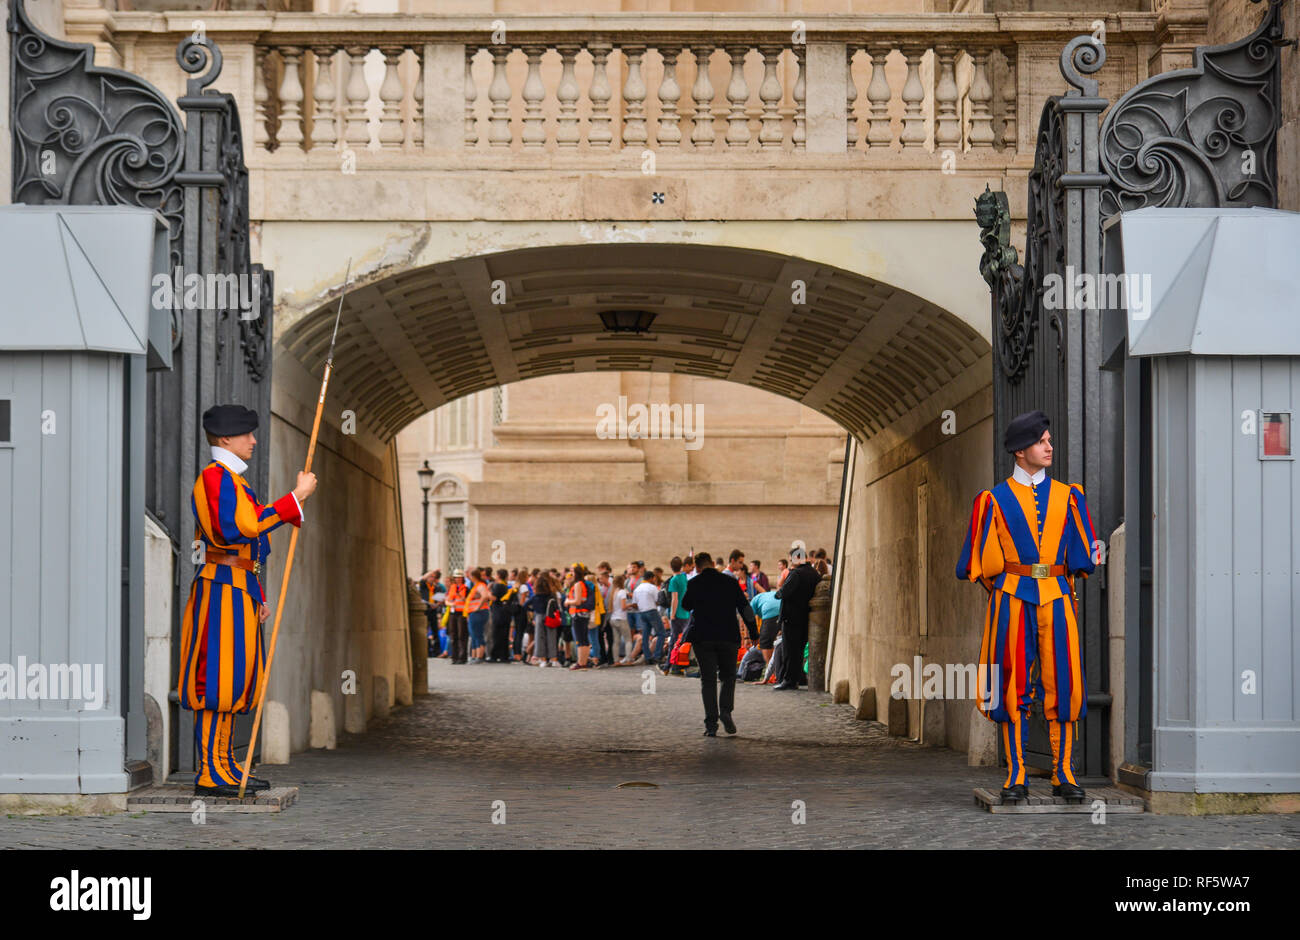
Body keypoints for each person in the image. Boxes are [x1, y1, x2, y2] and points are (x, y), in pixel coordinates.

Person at [957, 410, 1097, 805]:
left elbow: (1082, 558)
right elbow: (980, 564)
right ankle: (1016, 773)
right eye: (1042, 442)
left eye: (1049, 440)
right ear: (1021, 451)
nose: (1050, 447)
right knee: (1011, 684)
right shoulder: (992, 500)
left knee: (1064, 683)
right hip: (1011, 599)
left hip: (1056, 596)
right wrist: (1008, 591)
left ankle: (1063, 772)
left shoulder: (1070, 496)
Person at [177, 403, 316, 797]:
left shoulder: (233, 481)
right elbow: (239, 529)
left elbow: (249, 549)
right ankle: (209, 770)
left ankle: (224, 762)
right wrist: (295, 498)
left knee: (235, 680)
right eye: (247, 435)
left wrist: (256, 593)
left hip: (236, 588)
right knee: (217, 682)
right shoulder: (215, 479)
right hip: (220, 587)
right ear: (225, 439)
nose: (254, 441)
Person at [680, 553, 759, 736]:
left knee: (707, 680)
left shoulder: (694, 583)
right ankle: (726, 711)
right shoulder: (730, 582)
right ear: (713, 564)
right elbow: (745, 607)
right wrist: (753, 632)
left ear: (697, 567)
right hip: (728, 635)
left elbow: (685, 605)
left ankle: (711, 725)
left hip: (703, 637)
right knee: (728, 676)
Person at [772, 548, 820, 690]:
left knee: (790, 650)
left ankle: (789, 680)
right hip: (806, 617)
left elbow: (783, 592)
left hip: (791, 617)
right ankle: (795, 679)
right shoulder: (814, 574)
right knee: (798, 651)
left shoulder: (796, 574)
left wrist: (778, 593)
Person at [663, 556, 692, 676]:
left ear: (670, 567)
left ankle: (668, 665)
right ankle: (681, 664)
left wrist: (672, 614)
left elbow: (674, 598)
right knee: (684, 640)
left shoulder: (673, 580)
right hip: (686, 613)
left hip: (678, 613)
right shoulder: (685, 578)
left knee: (673, 640)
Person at [566, 563, 597, 670]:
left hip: (578, 614)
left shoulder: (578, 584)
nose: (570, 573)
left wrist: (567, 601)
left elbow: (578, 601)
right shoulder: (583, 584)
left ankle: (581, 662)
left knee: (580, 640)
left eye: (572, 571)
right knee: (584, 639)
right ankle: (583, 662)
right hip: (583, 614)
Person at [632, 569, 666, 667]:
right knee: (661, 633)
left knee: (645, 635)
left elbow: (635, 603)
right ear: (652, 578)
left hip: (642, 612)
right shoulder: (652, 587)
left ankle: (647, 657)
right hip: (652, 611)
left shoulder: (637, 589)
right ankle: (657, 656)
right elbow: (658, 600)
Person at [528, 571, 561, 667]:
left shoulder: (535, 597)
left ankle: (543, 660)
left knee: (539, 638)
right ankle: (553, 659)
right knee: (552, 638)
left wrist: (533, 609)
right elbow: (556, 607)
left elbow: (525, 606)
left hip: (538, 616)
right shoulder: (551, 595)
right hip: (549, 617)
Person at [488, 568, 516, 663]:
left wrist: (487, 591)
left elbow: (494, 597)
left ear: (499, 575)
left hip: (498, 613)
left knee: (496, 634)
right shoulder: (506, 586)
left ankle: (494, 656)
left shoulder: (497, 586)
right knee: (504, 635)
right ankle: (504, 656)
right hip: (505, 613)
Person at [465, 568, 492, 663]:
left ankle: (479, 656)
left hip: (478, 613)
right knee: (473, 634)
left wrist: (478, 607)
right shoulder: (476, 586)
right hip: (473, 613)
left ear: (473, 576)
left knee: (477, 634)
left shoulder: (480, 585)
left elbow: (485, 596)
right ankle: (474, 656)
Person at [750, 588, 781, 666]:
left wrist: (747, 638)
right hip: (786, 607)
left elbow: (747, 621)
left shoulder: (752, 602)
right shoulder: (766, 595)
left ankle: (772, 672)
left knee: (765, 642)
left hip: (771, 609)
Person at [445, 570, 469, 664]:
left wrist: (459, 593)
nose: (457, 579)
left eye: (459, 577)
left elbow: (466, 600)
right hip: (453, 613)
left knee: (461, 635)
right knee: (453, 635)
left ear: (462, 578)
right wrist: (450, 604)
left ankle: (462, 657)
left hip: (462, 613)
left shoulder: (466, 588)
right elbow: (447, 600)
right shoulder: (452, 588)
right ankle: (454, 657)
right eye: (456, 577)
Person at [609, 574, 634, 663]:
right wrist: (631, 605)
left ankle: (616, 660)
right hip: (621, 618)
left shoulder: (613, 592)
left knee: (616, 641)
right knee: (628, 639)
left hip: (613, 618)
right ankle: (628, 659)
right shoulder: (622, 592)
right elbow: (623, 607)